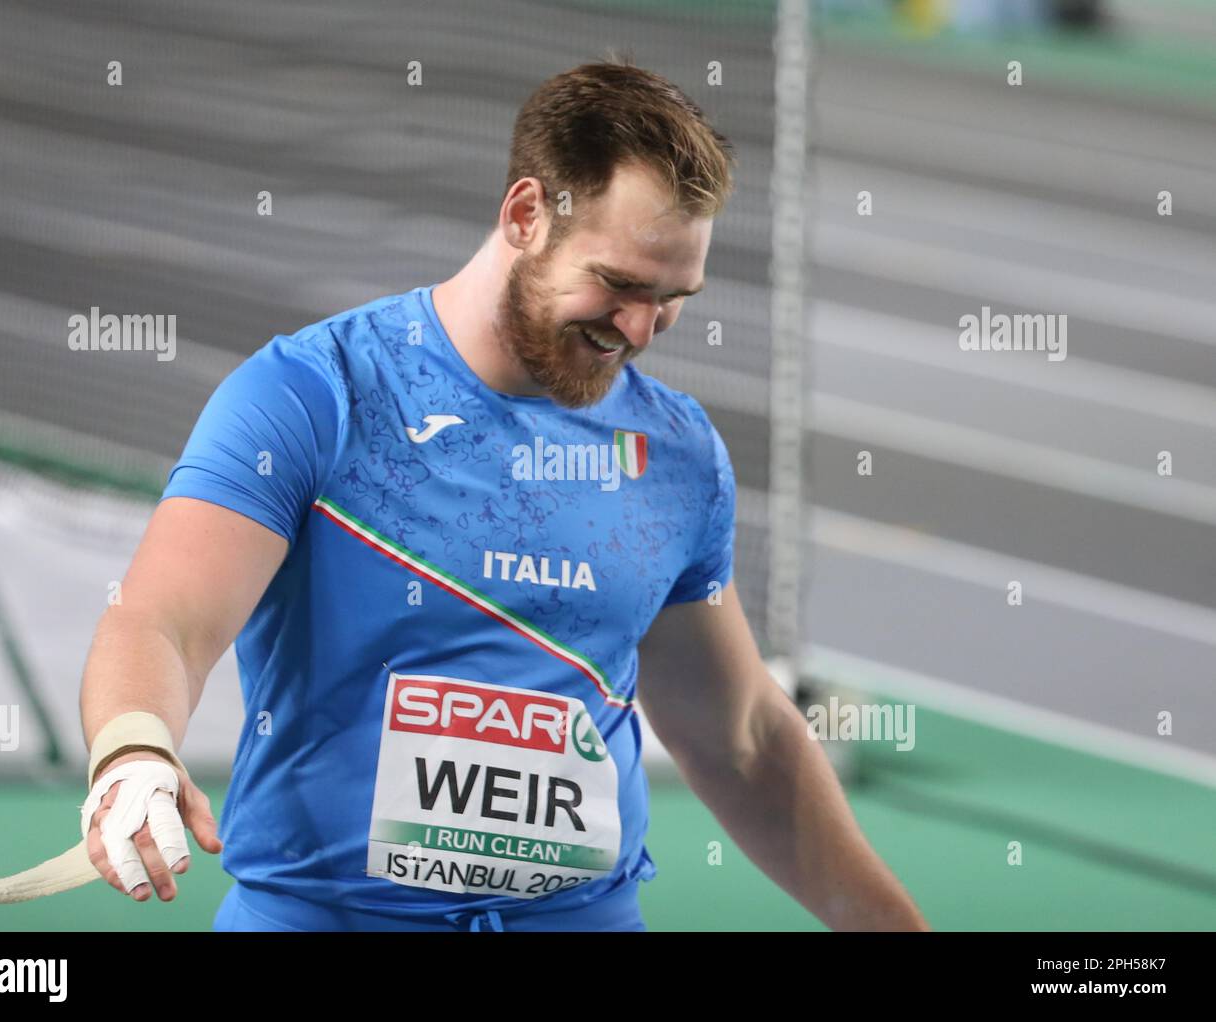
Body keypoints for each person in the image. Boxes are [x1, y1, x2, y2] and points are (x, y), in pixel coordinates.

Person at [78, 57, 930, 932]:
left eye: (673, 298)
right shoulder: (316, 395)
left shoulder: (673, 454)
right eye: (621, 284)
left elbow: (741, 738)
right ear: (527, 215)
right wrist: (133, 749)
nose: (641, 329)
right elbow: (162, 622)